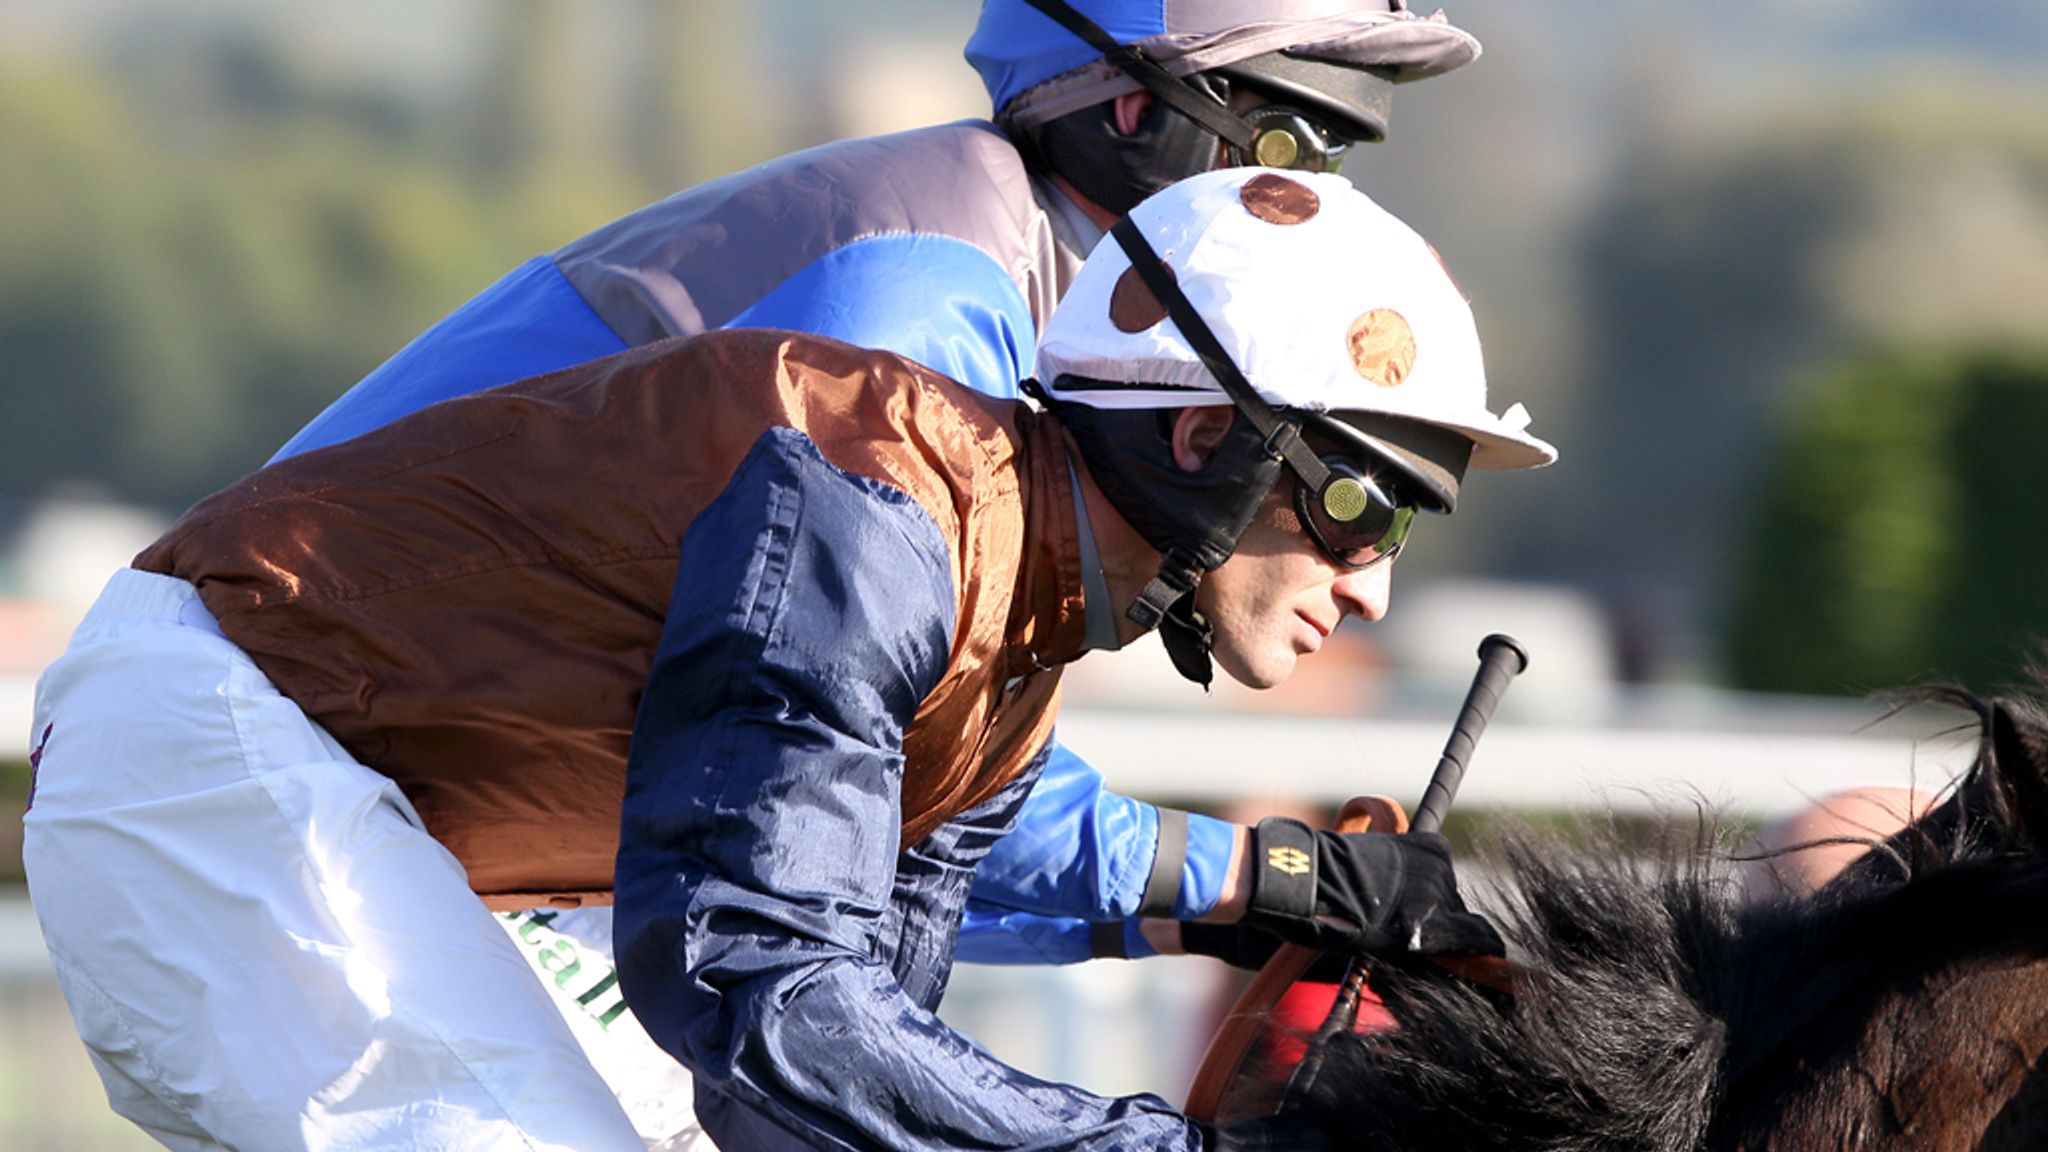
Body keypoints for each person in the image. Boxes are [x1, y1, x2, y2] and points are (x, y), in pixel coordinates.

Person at [25, 167, 1554, 1150]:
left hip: (351, 816)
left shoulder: (1014, 650)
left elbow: (827, 1090)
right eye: (1366, 507)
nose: (1370, 587)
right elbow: (760, 990)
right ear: (1208, 437)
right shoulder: (878, 504)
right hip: (221, 754)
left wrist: (1255, 925)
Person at [271, 0, 1487, 1004]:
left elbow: (868, 843)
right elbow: (846, 747)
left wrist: (1187, 922)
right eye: (1291, 152)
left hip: (401, 791)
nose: (1316, 210)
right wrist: (1252, 873)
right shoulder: (928, 305)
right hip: (297, 753)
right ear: (1135, 118)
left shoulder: (1042, 308)